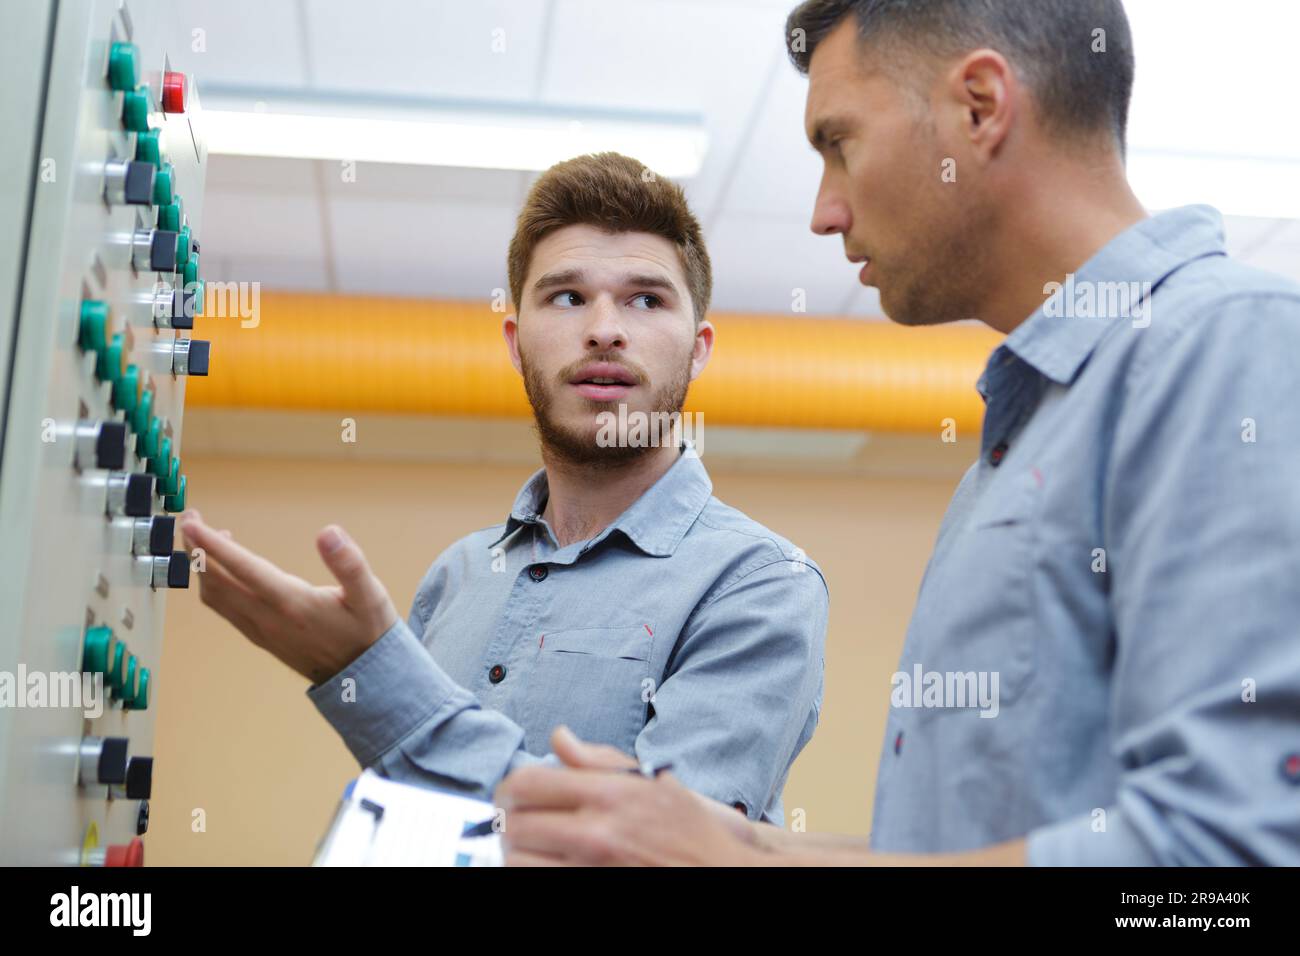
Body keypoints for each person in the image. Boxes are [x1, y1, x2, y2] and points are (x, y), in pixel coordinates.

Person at [494, 0, 1300, 866]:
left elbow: (1229, 872)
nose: (823, 211)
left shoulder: (1229, 347)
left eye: (838, 144)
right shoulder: (1018, 445)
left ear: (981, 107)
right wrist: (742, 851)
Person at [180, 152, 828, 823]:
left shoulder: (761, 584)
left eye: (646, 298)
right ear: (517, 342)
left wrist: (367, 674)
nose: (605, 329)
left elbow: (649, 844)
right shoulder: (457, 576)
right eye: (568, 297)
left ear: (698, 347)